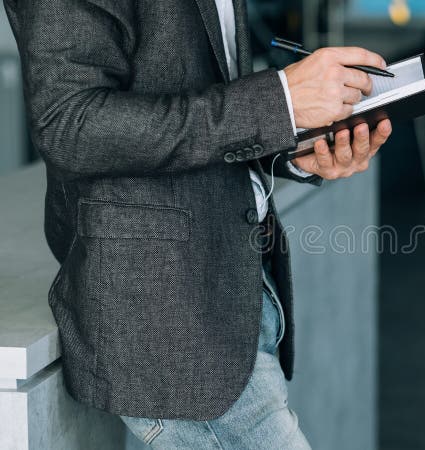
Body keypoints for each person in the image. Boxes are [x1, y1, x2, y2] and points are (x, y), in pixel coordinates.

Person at [3, 0, 392, 447]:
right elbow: (70, 125)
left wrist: (295, 146)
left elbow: (193, 91)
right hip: (166, 315)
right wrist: (279, 100)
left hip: (235, 289)